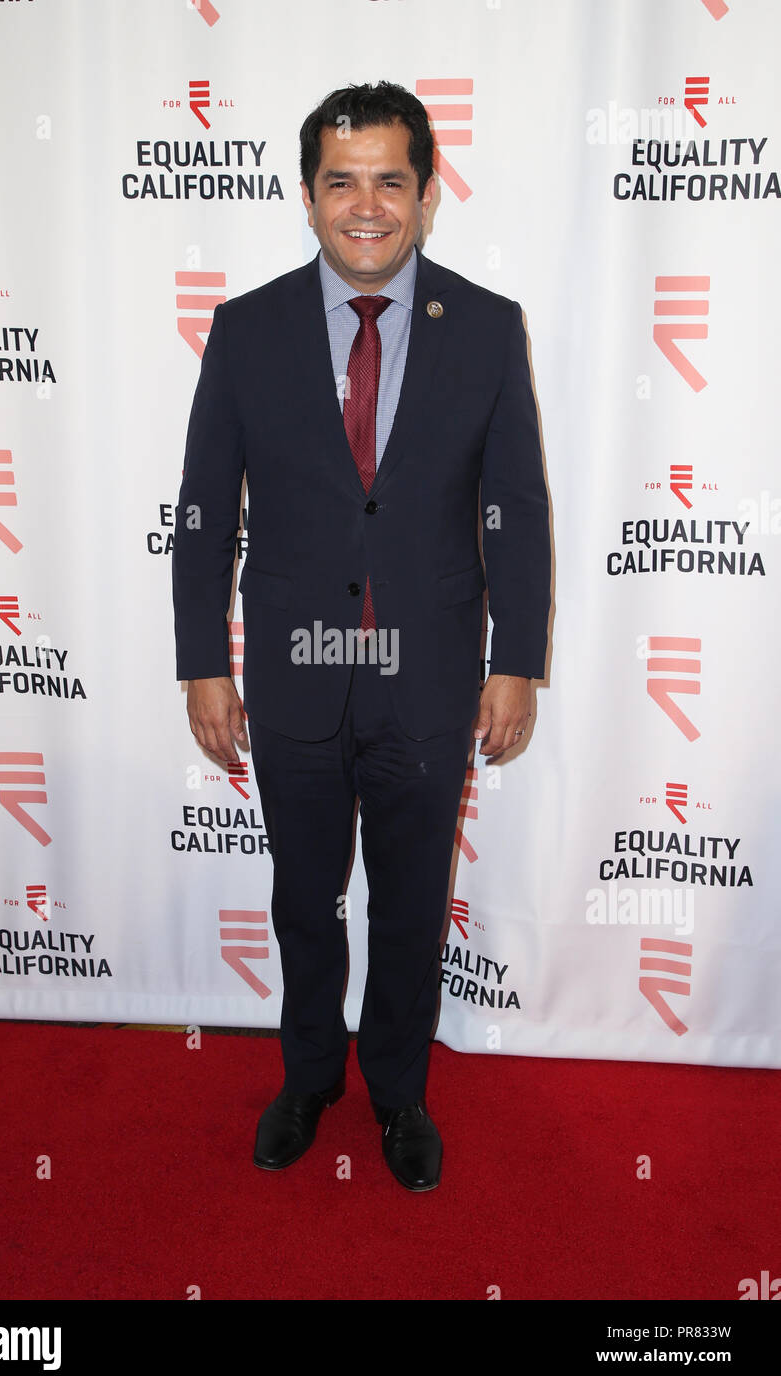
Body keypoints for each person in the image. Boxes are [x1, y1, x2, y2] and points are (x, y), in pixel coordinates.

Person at [172, 81, 551, 1191]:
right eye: (342, 180)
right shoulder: (245, 331)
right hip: (292, 676)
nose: (367, 204)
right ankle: (306, 1078)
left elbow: (515, 507)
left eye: (391, 179)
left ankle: (396, 1091)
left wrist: (515, 658)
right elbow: (203, 504)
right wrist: (203, 660)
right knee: (304, 897)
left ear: (427, 196)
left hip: (427, 679)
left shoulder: (484, 327)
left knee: (408, 901)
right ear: (308, 195)